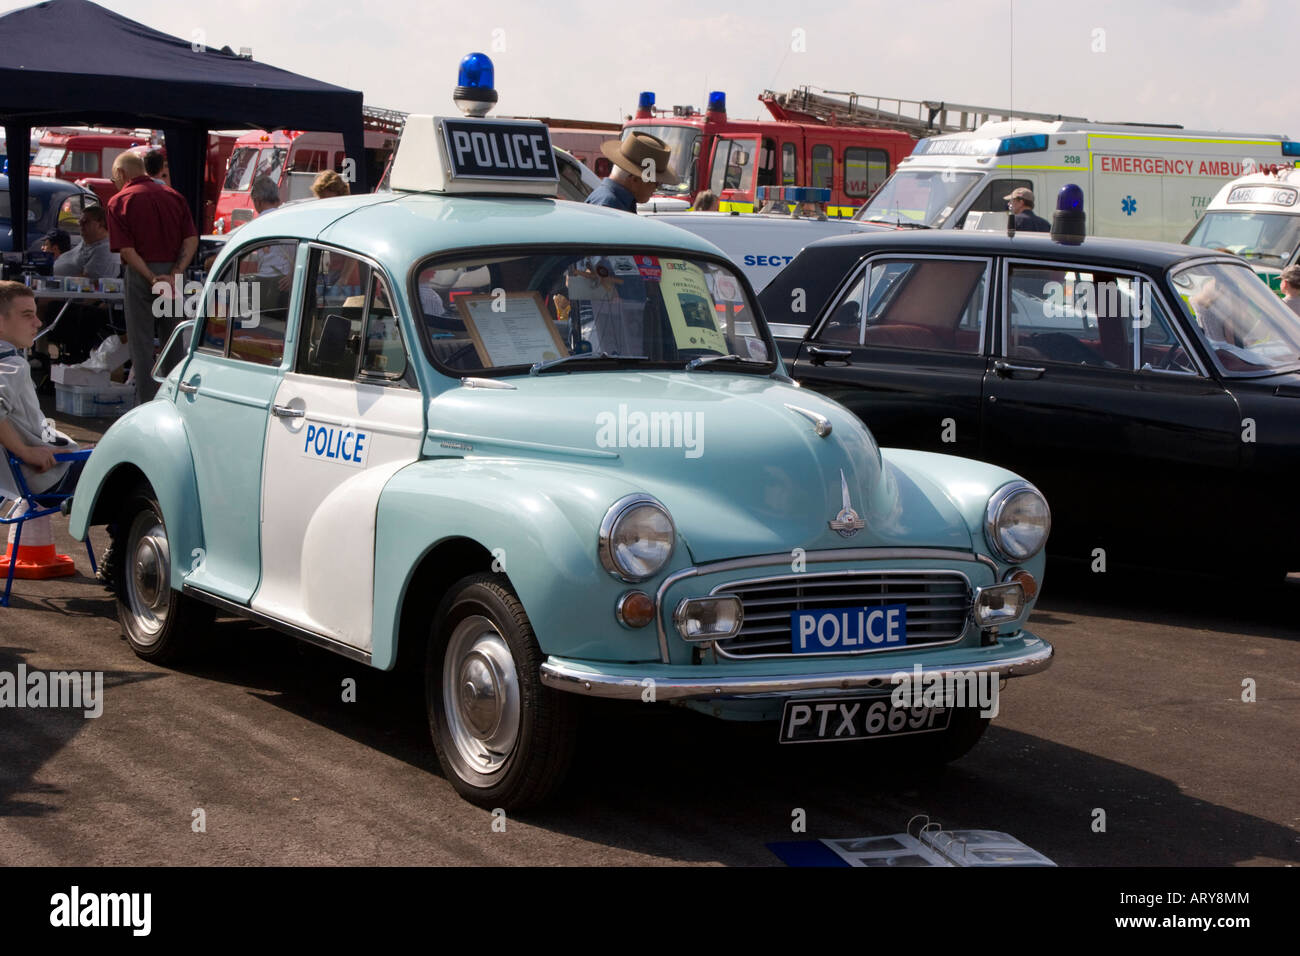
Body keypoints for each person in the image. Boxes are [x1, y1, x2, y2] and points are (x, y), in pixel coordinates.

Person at [105, 151, 197, 405]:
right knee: (174, 341)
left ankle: (146, 402)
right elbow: (191, 238)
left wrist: (151, 277)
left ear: (122, 174)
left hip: (141, 273)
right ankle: (174, 400)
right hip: (173, 273)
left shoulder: (119, 200)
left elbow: (126, 249)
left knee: (142, 343)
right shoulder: (174, 196)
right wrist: (175, 273)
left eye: (115, 178)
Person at [0, 281, 84, 494]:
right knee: (139, 472)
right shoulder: (12, 364)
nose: (38, 323)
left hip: (24, 478)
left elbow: (35, 424)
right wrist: (25, 451)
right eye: (27, 315)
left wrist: (67, 446)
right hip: (48, 478)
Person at [585, 132, 679, 214]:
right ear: (635, 180)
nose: (656, 188)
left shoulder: (614, 202)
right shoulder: (608, 205)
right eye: (656, 182)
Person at [53, 205, 115, 279]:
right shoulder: (88, 241)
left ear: (101, 223)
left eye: (85, 221)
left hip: (62, 288)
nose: (80, 225)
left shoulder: (105, 250)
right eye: (79, 222)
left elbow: (87, 281)